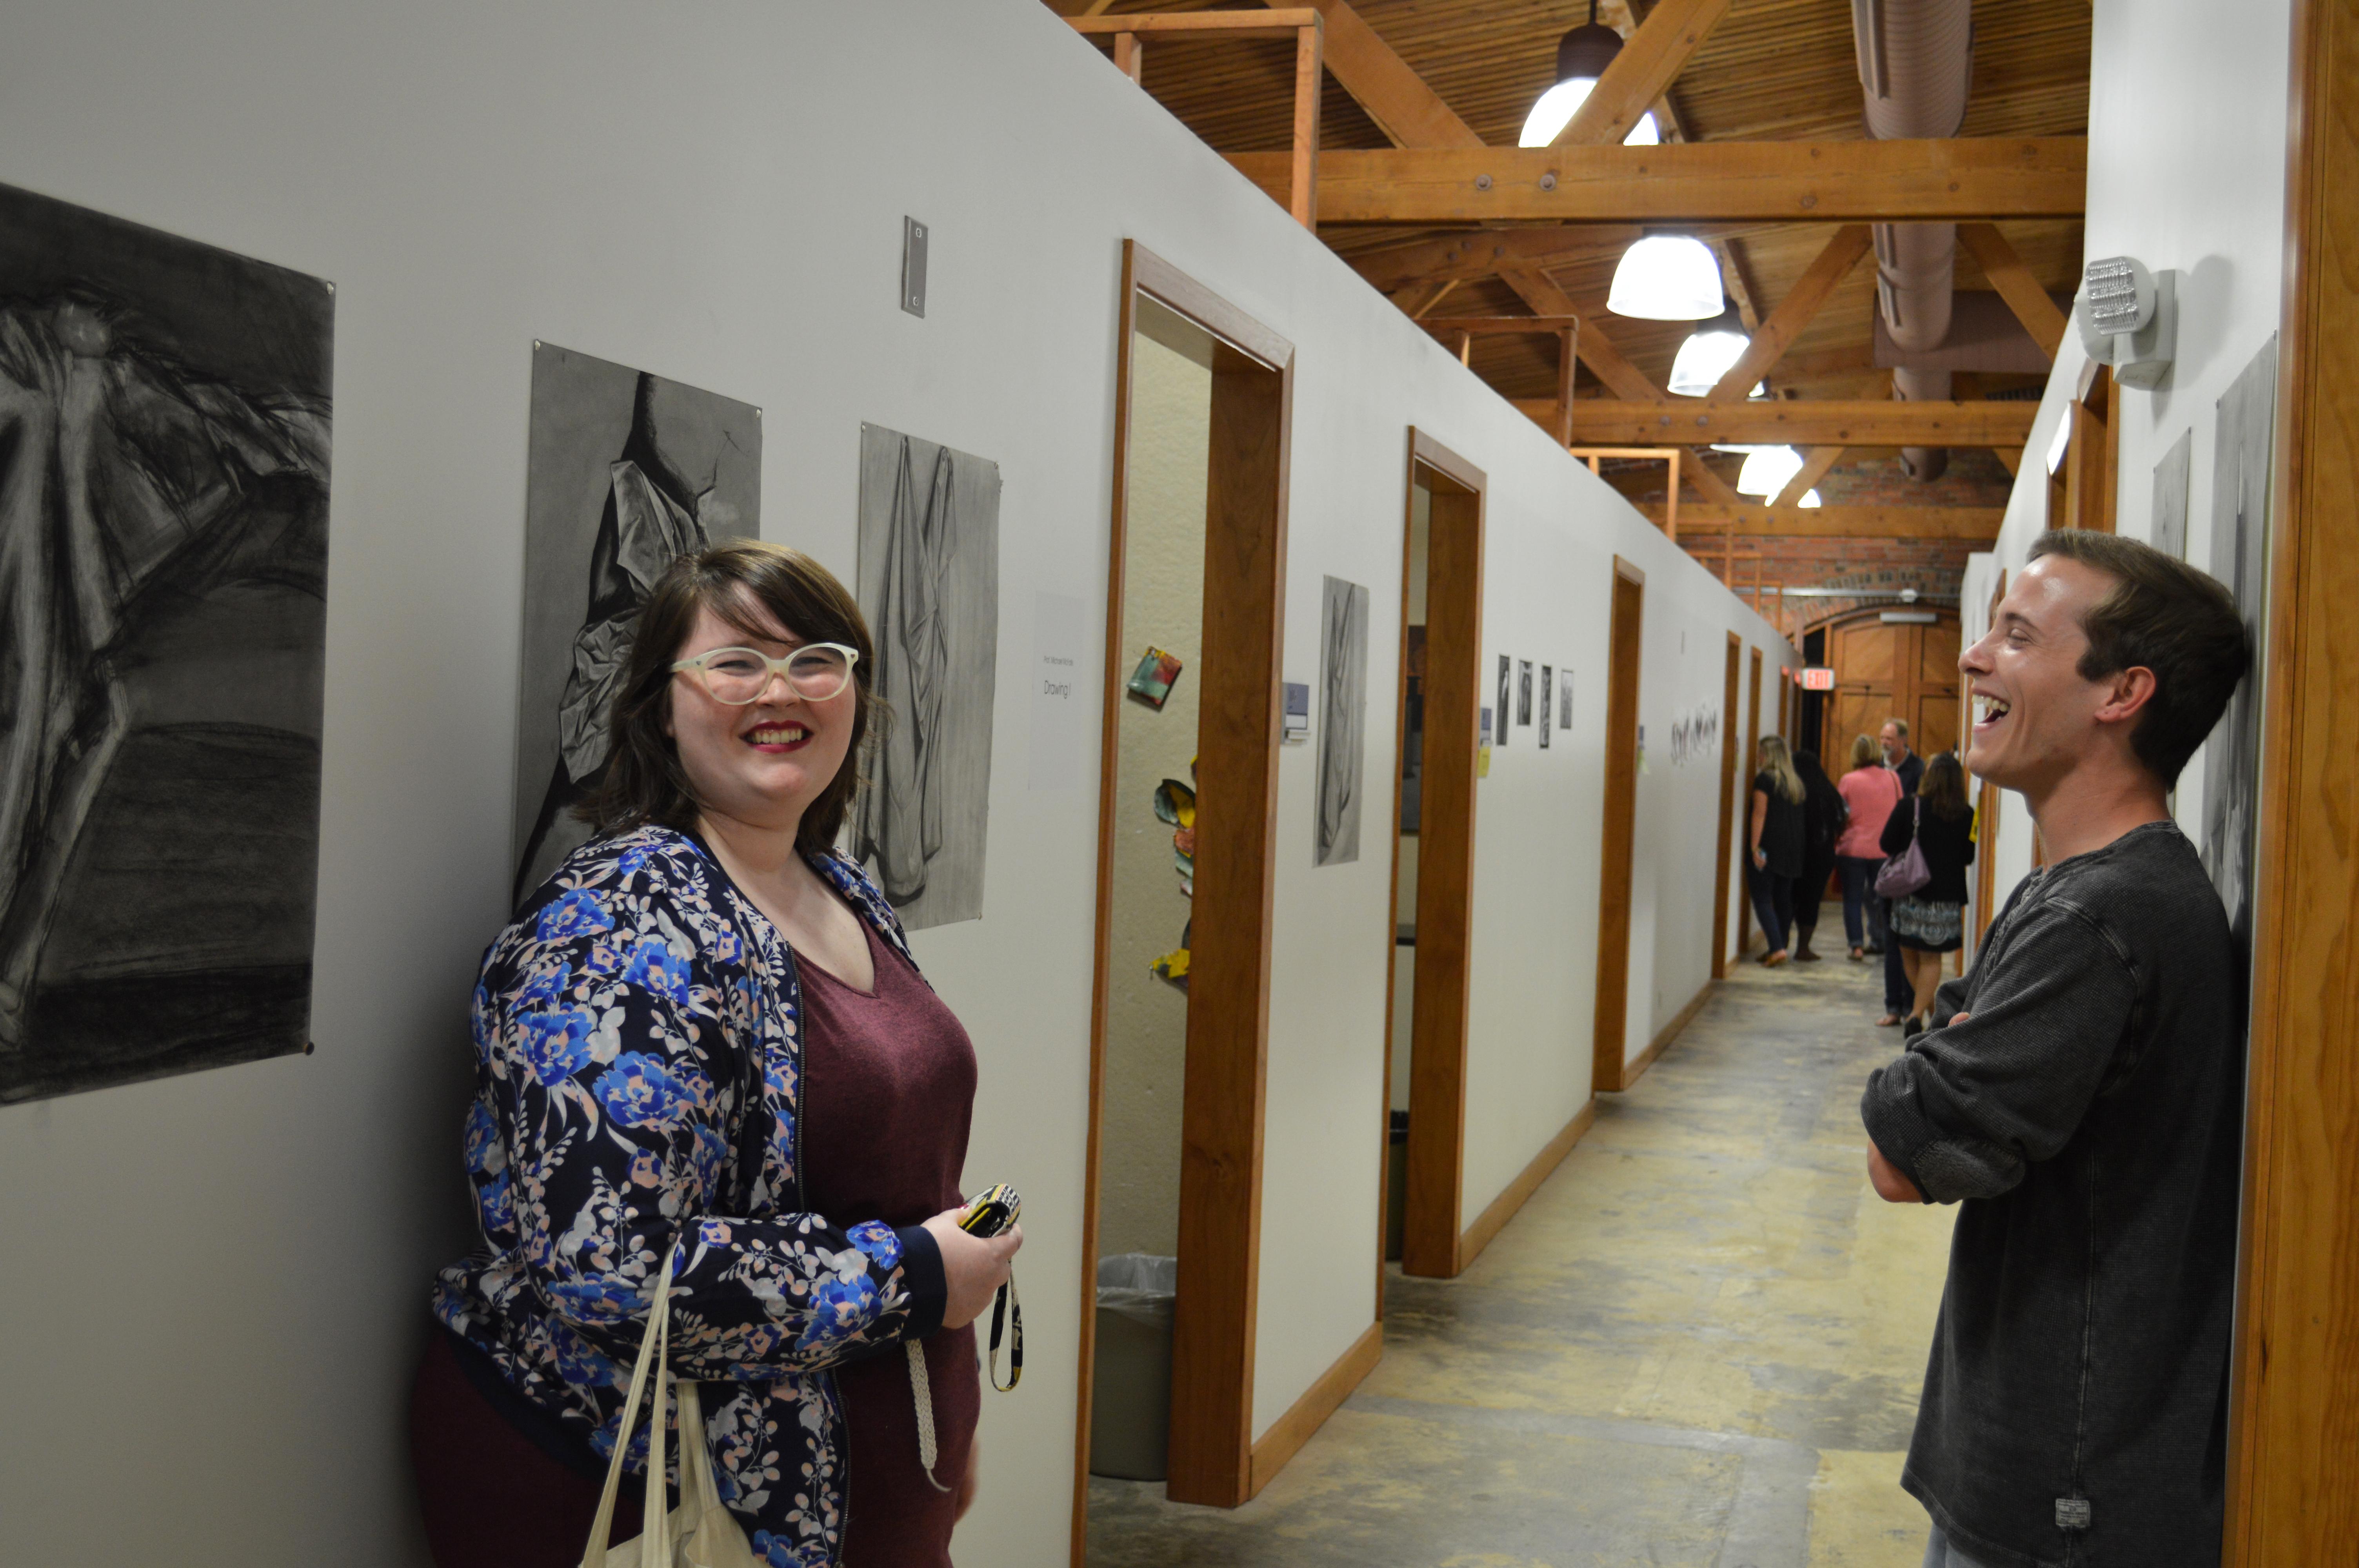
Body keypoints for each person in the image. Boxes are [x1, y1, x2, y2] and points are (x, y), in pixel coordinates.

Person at [414, 540, 1021, 1568]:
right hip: (651, 1494)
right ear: (661, 705)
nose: (779, 690)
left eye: (815, 659)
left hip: (864, 1481)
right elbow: (612, 1271)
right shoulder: (622, 924)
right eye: (735, 662)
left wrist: (941, 1412)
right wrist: (916, 1281)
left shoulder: (840, 888)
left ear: (857, 695)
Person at [1859, 530, 2250, 1568]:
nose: (1973, 658)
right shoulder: (2082, 888)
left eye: (2017, 635)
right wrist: (1948, 1035)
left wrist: (1931, 1045)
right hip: (2046, 1462)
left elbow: (1903, 1159)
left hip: (2062, 1496)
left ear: (2121, 693)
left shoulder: (2098, 919)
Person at [1878, 751, 1974, 1034]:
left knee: (1909, 951)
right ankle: (1932, 1013)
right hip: (1946, 896)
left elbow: (1886, 843)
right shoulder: (1967, 814)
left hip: (1911, 892)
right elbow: (1968, 855)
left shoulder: (1911, 806)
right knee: (1932, 958)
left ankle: (1914, 1015)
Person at [1835, 733, 1903, 961]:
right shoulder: (1893, 778)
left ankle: (1856, 946)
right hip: (1883, 850)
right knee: (1881, 898)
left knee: (1853, 898)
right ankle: (1881, 940)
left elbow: (1839, 816)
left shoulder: (1848, 780)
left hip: (1852, 848)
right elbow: (1899, 814)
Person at [1876, 717, 1925, 1025]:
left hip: (1911, 868)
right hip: (1888, 862)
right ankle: (1894, 1006)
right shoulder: (1878, 770)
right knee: (1892, 941)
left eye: (1889, 738)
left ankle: (1911, 1008)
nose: (1884, 743)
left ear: (1903, 741)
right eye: (1881, 737)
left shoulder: (1917, 772)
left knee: (1911, 945)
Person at [1748, 734, 1806, 966]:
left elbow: (1760, 813)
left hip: (1769, 846)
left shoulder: (1764, 780)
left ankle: (1776, 947)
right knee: (1783, 899)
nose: (1758, 757)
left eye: (1761, 752)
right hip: (1792, 847)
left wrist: (1755, 847)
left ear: (1767, 755)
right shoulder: (1795, 782)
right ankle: (1780, 943)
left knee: (1762, 898)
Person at [1788, 748, 1847, 961]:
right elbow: (1842, 819)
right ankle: (1803, 948)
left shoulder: (1793, 790)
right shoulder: (1828, 790)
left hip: (1795, 854)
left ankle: (1780, 945)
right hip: (1822, 856)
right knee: (1811, 901)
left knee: (1789, 898)